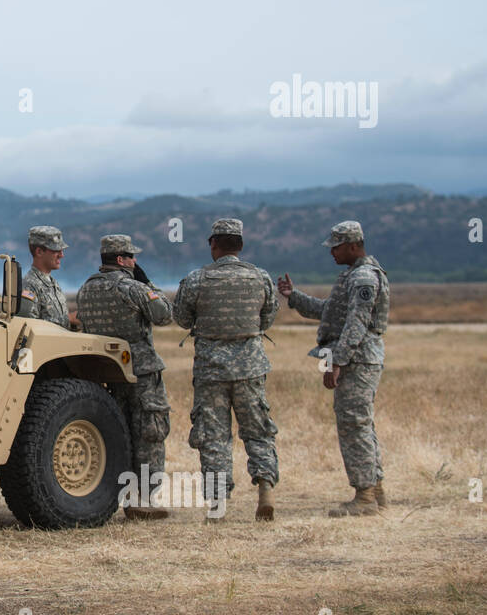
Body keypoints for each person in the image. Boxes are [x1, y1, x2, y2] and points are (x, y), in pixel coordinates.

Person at [278, 221, 390, 517]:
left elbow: (356, 323)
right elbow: (330, 311)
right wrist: (295, 297)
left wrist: (337, 362)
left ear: (354, 245)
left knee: (353, 424)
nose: (332, 253)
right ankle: (374, 491)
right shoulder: (354, 275)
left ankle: (365, 497)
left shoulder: (364, 277)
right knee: (360, 422)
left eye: (336, 247)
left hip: (357, 360)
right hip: (356, 357)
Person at [174, 219, 279, 521]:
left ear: (214, 245)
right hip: (250, 367)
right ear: (241, 245)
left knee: (214, 437)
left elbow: (181, 318)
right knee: (258, 431)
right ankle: (265, 490)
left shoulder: (197, 280)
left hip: (211, 371)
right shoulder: (260, 278)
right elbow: (267, 318)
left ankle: (218, 506)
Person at [76, 234, 173, 519]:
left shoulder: (86, 290)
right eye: (132, 257)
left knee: (117, 434)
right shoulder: (132, 288)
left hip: (106, 373)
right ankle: (144, 499)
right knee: (150, 432)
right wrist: (147, 284)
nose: (135, 262)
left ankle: (121, 495)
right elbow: (165, 314)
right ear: (121, 260)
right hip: (141, 370)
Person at [22, 226, 73, 328]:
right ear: (39, 252)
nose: (61, 255)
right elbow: (28, 328)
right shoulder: (29, 286)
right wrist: (69, 319)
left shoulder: (53, 284)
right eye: (56, 250)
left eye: (61, 250)